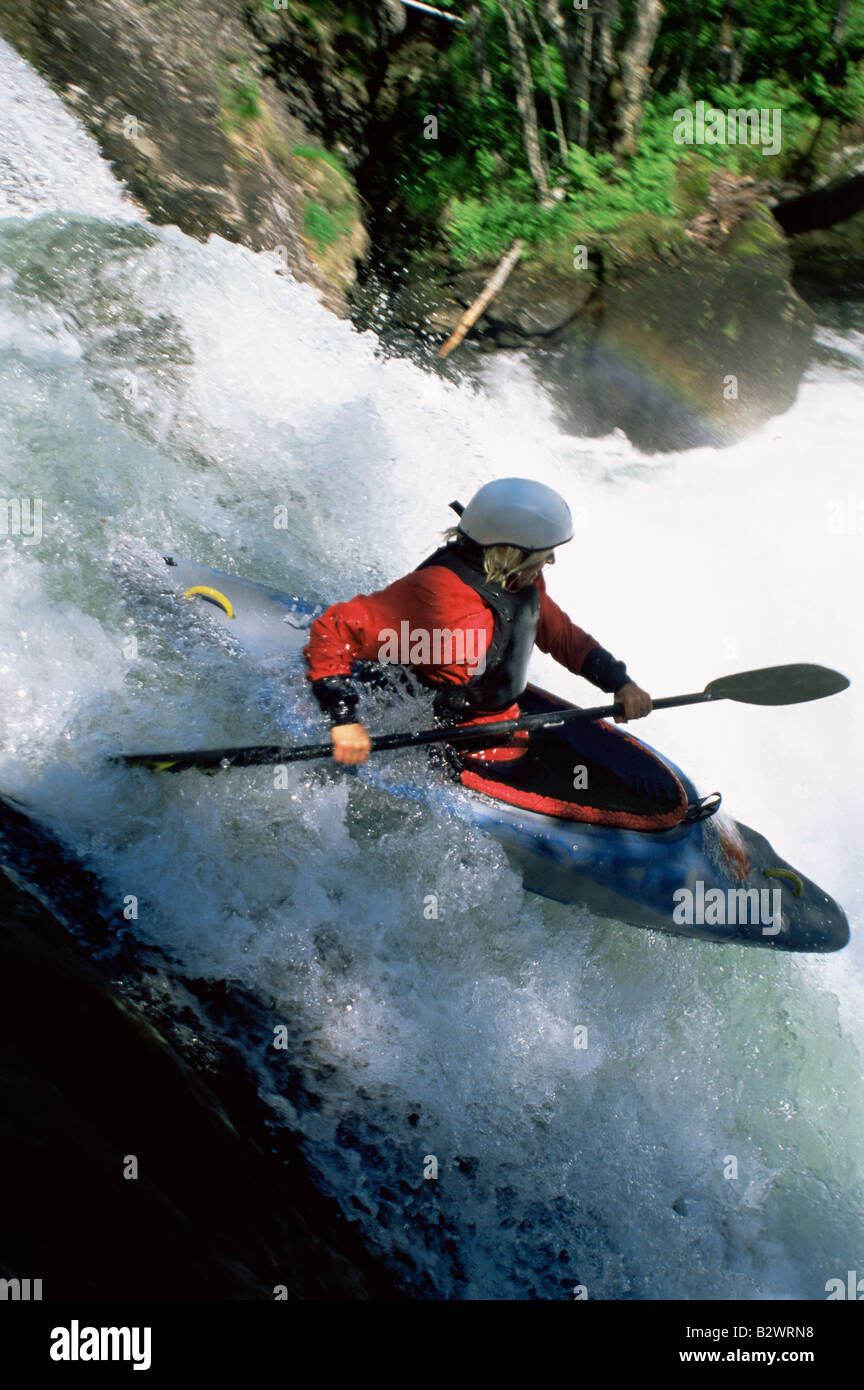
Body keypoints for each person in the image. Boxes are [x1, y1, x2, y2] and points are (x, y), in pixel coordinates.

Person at [303, 478, 653, 765]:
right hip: (447, 737)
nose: (550, 563)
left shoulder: (519, 580)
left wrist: (619, 682)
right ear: (505, 552)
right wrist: (344, 720)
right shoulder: (436, 594)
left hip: (504, 727)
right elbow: (334, 627)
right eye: (545, 556)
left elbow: (563, 636)